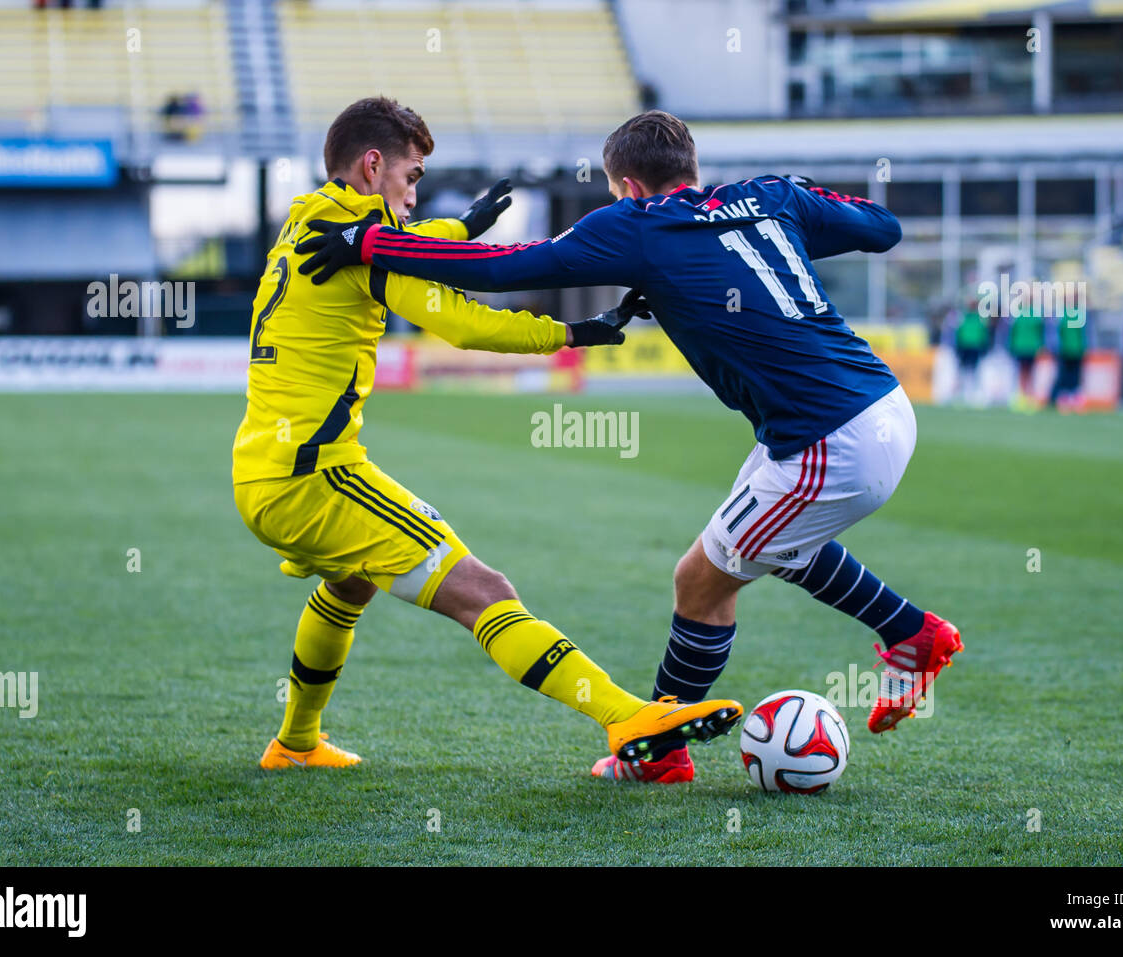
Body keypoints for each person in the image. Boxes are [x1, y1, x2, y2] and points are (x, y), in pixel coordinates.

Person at [294, 110, 963, 784]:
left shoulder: (638, 224)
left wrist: (368, 244)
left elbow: (504, 267)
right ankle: (911, 633)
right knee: (767, 544)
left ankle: (660, 751)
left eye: (616, 197)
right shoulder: (769, 197)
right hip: (878, 408)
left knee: (701, 580)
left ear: (632, 189)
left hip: (831, 441)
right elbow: (883, 228)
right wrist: (792, 204)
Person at [233, 98, 742, 772]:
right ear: (373, 164)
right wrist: (570, 333)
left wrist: (461, 225)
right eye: (411, 178)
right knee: (486, 590)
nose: (413, 197)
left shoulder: (308, 218)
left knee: (351, 583)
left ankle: (294, 743)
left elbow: (404, 238)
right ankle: (627, 717)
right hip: (317, 475)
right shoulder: (363, 242)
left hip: (262, 470)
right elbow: (466, 323)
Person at [1048, 289, 1087, 411]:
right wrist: (1055, 348)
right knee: (1062, 377)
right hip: (1064, 350)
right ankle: (1054, 400)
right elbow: (1054, 333)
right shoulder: (1060, 314)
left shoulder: (1080, 314)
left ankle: (1072, 401)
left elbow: (1084, 333)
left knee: (1075, 377)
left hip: (1077, 350)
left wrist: (1084, 347)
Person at [949, 298, 990, 405]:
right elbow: (959, 333)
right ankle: (960, 394)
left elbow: (983, 333)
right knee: (962, 372)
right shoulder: (963, 317)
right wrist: (958, 346)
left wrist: (983, 346)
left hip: (975, 347)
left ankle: (974, 395)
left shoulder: (979, 319)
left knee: (974, 372)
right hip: (964, 347)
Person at [1006, 298, 1044, 411]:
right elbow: (1040, 332)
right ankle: (1027, 398)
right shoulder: (1036, 316)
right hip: (1029, 347)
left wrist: (1011, 346)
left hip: (1022, 347)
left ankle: (1024, 398)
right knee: (1028, 373)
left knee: (1023, 372)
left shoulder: (1018, 315)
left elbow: (1012, 332)